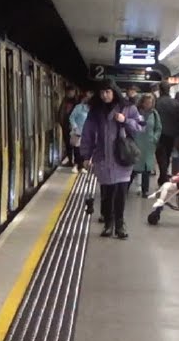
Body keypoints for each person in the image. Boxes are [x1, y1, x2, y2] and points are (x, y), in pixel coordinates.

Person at [78, 79, 144, 238]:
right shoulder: (95, 111)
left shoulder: (128, 108)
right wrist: (86, 155)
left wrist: (125, 120)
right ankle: (108, 223)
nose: (104, 95)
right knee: (106, 193)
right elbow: (87, 133)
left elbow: (141, 126)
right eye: (101, 92)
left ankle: (120, 225)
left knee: (121, 193)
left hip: (122, 157)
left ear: (114, 91)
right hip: (103, 158)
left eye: (107, 91)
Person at [132, 93, 162, 196]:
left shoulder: (154, 114)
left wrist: (155, 138)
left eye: (151, 102)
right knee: (134, 167)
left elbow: (158, 128)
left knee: (147, 168)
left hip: (149, 144)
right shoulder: (136, 112)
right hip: (137, 143)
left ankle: (145, 190)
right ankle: (125, 188)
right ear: (142, 102)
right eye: (147, 102)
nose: (149, 104)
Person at [154, 83, 179, 185]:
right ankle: (163, 175)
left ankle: (163, 176)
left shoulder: (156, 102)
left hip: (158, 133)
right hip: (172, 135)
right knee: (167, 154)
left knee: (160, 155)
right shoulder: (176, 104)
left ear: (160, 90)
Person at [68, 89, 92, 170]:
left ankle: (82, 166)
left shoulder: (92, 109)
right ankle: (76, 165)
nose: (88, 99)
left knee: (84, 150)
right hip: (78, 131)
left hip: (87, 133)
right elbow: (72, 117)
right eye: (87, 97)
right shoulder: (78, 107)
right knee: (77, 149)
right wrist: (75, 127)